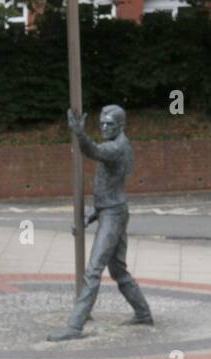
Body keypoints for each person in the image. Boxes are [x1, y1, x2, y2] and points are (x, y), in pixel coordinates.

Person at [48, 104, 153, 342]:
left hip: (114, 215)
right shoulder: (116, 145)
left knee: (94, 270)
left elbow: (93, 151)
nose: (104, 127)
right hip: (112, 210)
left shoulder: (117, 147)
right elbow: (109, 189)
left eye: (109, 124)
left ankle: (75, 326)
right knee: (118, 270)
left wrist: (80, 134)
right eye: (102, 123)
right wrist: (91, 216)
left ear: (121, 126)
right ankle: (143, 313)